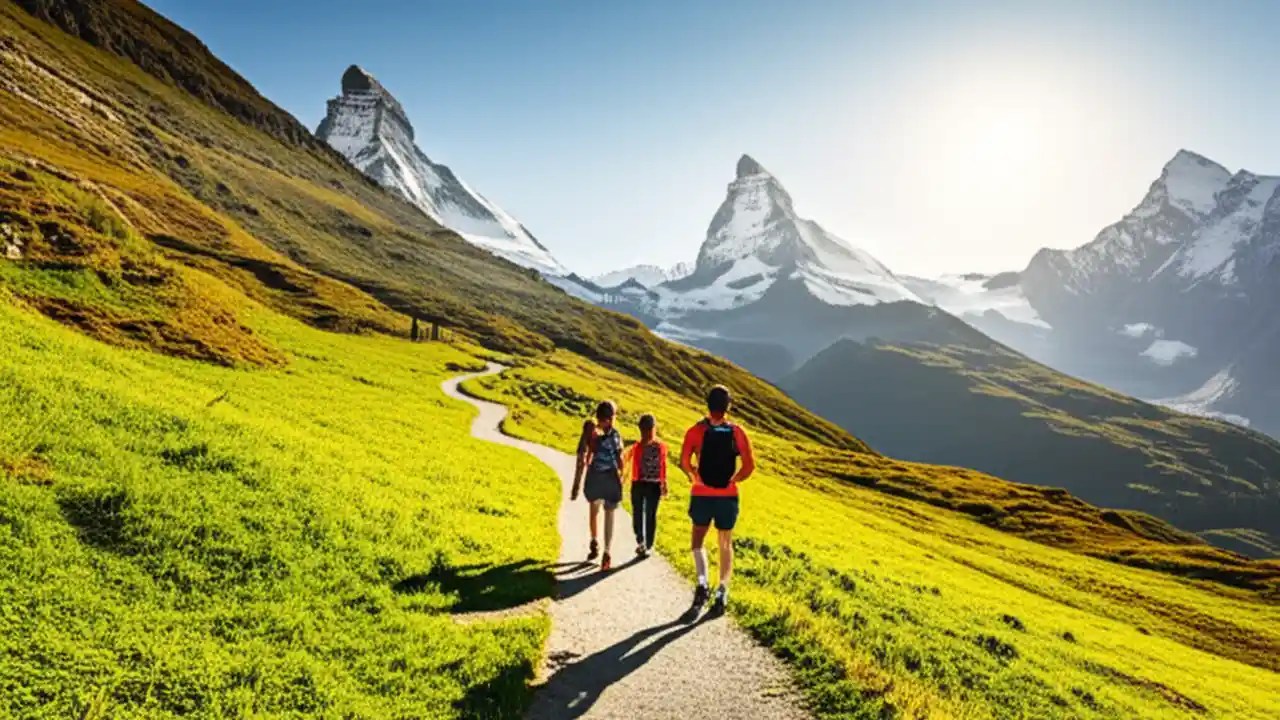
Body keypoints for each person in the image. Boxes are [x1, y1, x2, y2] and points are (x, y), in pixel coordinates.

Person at [680, 385, 754, 615]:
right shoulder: (737, 432)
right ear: (728, 406)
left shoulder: (695, 431)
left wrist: (694, 476)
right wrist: (734, 479)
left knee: (697, 542)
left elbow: (684, 461)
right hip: (727, 496)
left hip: (701, 494)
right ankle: (722, 591)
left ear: (707, 404)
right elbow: (749, 465)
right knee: (725, 544)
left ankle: (702, 582)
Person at [581, 401, 624, 571]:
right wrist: (621, 471)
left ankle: (594, 540)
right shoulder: (615, 435)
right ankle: (607, 550)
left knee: (594, 511)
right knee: (609, 514)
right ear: (610, 418)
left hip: (596, 477)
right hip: (610, 478)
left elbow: (587, 457)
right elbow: (619, 460)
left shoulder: (592, 433)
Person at [625, 413, 668, 558]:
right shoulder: (636, 447)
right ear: (640, 430)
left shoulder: (661, 447)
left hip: (654, 485)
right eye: (644, 430)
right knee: (637, 513)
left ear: (654, 429)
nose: (647, 433)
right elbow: (626, 463)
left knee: (650, 515)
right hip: (638, 483)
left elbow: (663, 465)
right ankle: (640, 541)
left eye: (649, 429)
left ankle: (648, 545)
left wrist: (664, 483)